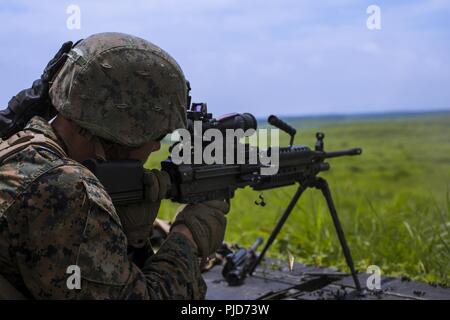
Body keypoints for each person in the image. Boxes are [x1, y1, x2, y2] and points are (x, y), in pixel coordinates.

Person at [0, 32, 229, 299]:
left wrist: (130, 238)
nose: (156, 147)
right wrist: (187, 236)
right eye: (155, 135)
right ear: (120, 129)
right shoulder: (65, 189)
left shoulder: (18, 146)